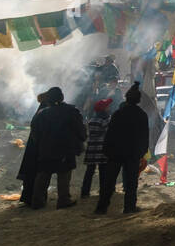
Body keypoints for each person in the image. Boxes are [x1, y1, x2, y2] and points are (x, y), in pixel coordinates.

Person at [96, 81, 150, 215]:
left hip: (115, 152)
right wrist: (142, 152)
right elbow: (144, 136)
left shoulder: (118, 113)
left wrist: (106, 150)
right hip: (132, 153)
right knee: (131, 183)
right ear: (138, 100)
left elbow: (110, 133)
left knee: (109, 182)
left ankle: (101, 208)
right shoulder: (141, 115)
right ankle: (129, 207)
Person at [30, 87, 87, 210]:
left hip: (46, 150)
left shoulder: (41, 114)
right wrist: (81, 140)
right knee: (64, 175)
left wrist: (40, 145)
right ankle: (63, 200)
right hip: (65, 150)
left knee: (43, 175)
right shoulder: (71, 111)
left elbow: (34, 133)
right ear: (61, 97)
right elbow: (80, 131)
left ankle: (37, 201)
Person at [15, 89, 53, 206]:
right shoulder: (46, 112)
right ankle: (36, 199)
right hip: (40, 148)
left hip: (34, 148)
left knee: (31, 174)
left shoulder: (40, 111)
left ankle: (28, 198)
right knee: (39, 174)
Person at [80, 98, 112, 199]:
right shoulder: (106, 121)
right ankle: (103, 191)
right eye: (107, 106)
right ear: (104, 109)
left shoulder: (91, 120)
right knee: (103, 171)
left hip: (91, 148)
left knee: (89, 171)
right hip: (101, 149)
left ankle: (85, 192)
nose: (109, 108)